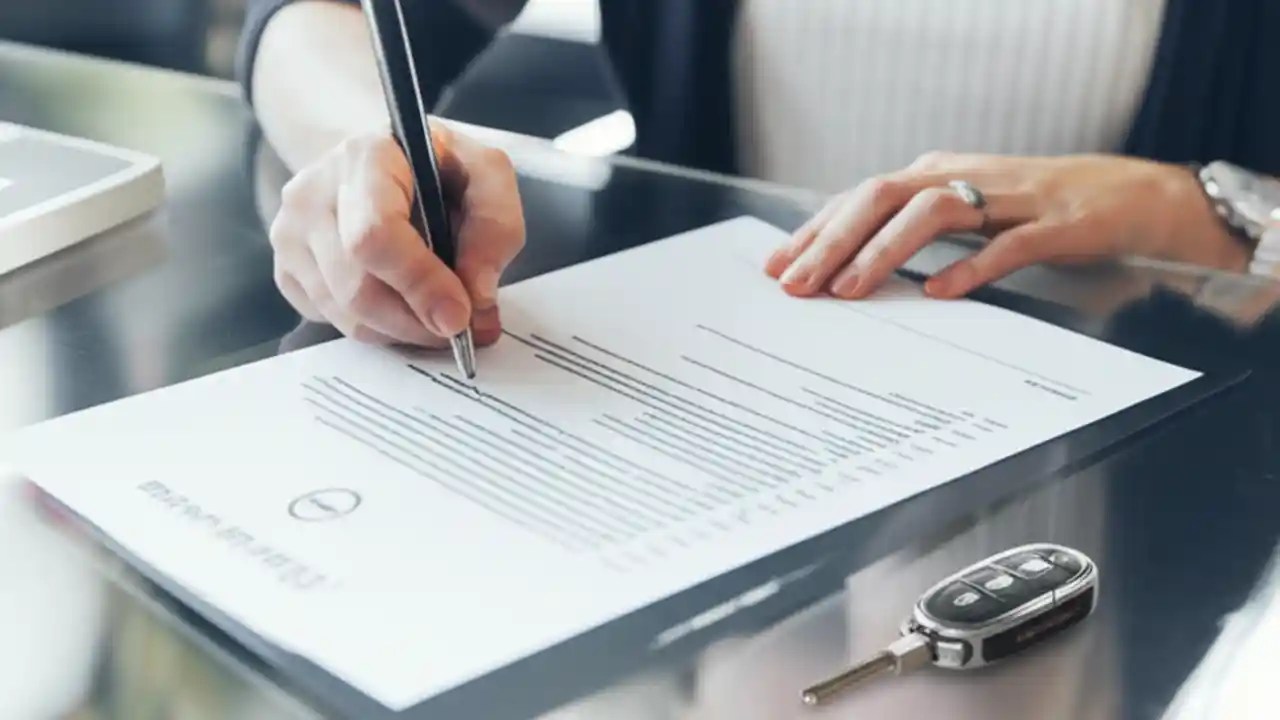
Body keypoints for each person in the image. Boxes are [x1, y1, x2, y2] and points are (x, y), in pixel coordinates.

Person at [237, 0, 1280, 347]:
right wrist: (369, 147)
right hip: (725, 399)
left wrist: (1196, 207)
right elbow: (314, 17)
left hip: (1167, 450)